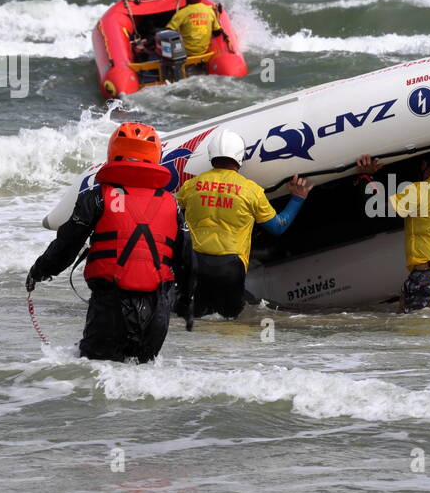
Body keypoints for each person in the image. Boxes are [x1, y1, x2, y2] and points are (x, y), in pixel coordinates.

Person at [26, 122, 192, 362]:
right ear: (156, 156)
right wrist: (185, 300)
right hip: (157, 311)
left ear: (113, 152)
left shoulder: (97, 196)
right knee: (143, 377)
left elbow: (68, 244)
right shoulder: (171, 203)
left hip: (112, 306)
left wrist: (40, 271)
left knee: (96, 374)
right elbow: (186, 257)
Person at [175, 128, 312, 319]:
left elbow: (171, 216)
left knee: (195, 321)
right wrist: (297, 198)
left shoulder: (190, 186)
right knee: (231, 325)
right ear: (240, 156)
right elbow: (278, 226)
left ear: (211, 155)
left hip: (196, 265)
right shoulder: (251, 190)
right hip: (231, 267)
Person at [355, 149, 430, 311]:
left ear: (423, 165)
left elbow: (377, 207)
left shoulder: (421, 190)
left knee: (411, 326)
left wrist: (365, 176)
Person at [165, 0, 231, 62]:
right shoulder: (209, 11)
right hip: (203, 51)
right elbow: (217, 32)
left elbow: (168, 31)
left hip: (187, 52)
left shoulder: (182, 13)